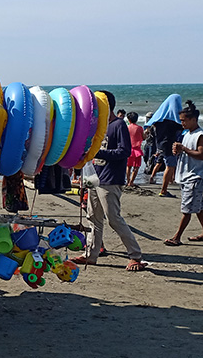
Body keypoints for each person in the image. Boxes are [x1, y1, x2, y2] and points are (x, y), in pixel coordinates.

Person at [71, 91, 146, 271]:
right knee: (92, 217)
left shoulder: (118, 125)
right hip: (93, 177)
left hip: (110, 179)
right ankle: (91, 254)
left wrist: (99, 153)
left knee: (113, 218)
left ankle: (135, 255)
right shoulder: (97, 127)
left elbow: (124, 151)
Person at [164, 100, 203, 245]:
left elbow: (201, 154)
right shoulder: (187, 134)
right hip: (187, 174)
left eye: (184, 121)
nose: (182, 123)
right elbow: (187, 153)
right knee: (198, 207)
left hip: (195, 176)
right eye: (181, 121)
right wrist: (178, 151)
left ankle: (177, 237)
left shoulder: (201, 135)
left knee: (187, 208)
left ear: (193, 119)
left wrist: (184, 149)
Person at [125, 112, 145, 187]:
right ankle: (131, 182)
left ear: (129, 120)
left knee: (128, 166)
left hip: (129, 149)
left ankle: (128, 180)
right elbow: (143, 137)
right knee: (136, 167)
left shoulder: (127, 127)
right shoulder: (139, 128)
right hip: (137, 149)